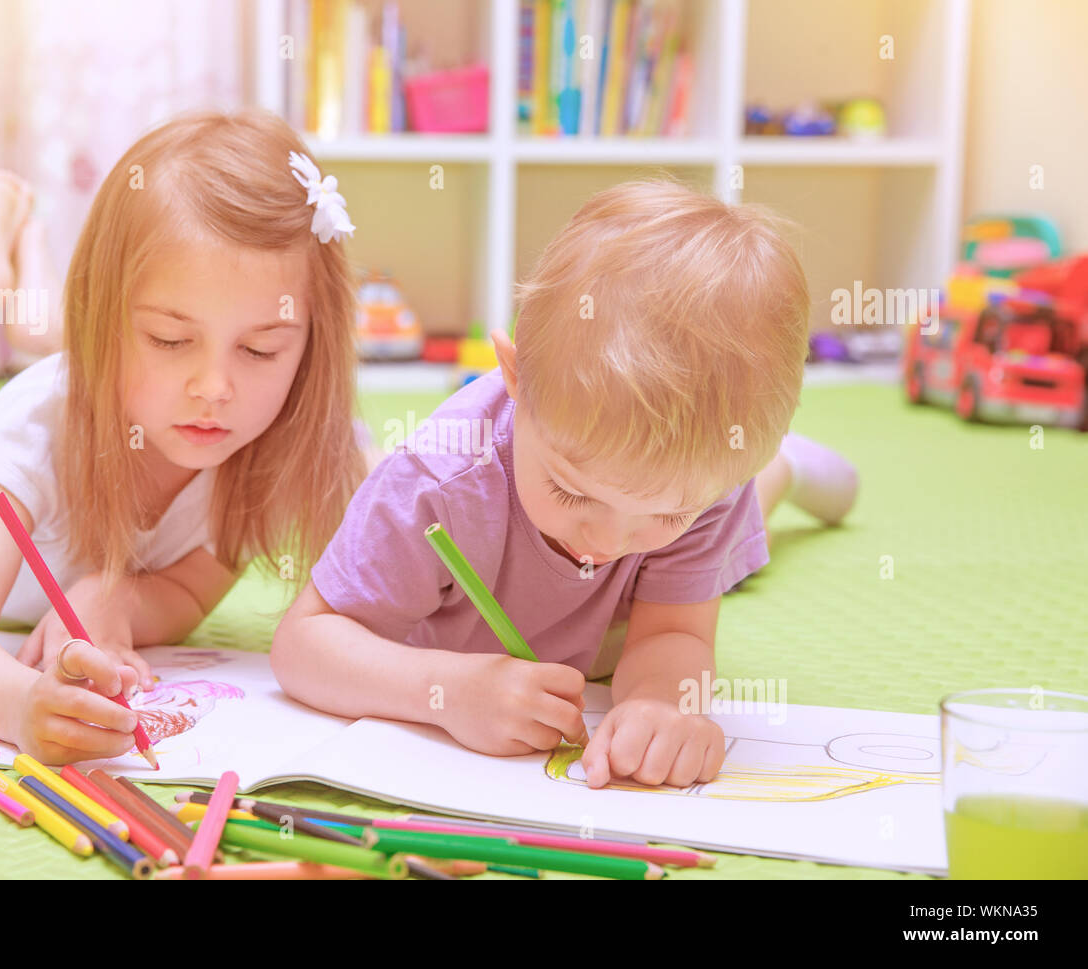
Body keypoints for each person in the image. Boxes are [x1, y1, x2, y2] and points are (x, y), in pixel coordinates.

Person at [0, 111, 365, 765]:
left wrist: (115, 595)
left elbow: (190, 591)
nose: (214, 387)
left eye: (260, 349)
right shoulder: (38, 421)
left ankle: (25, 278)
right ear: (103, 320)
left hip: (49, 421)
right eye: (170, 340)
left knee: (63, 358)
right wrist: (17, 704)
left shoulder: (267, 446)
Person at [271, 180, 858, 791]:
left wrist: (662, 706)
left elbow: (673, 633)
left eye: (668, 514)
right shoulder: (437, 484)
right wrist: (446, 692)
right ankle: (778, 468)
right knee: (382, 488)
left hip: (617, 616)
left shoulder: (706, 483)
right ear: (515, 376)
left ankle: (777, 467)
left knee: (733, 532)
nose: (607, 540)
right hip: (461, 520)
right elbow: (302, 647)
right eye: (575, 493)